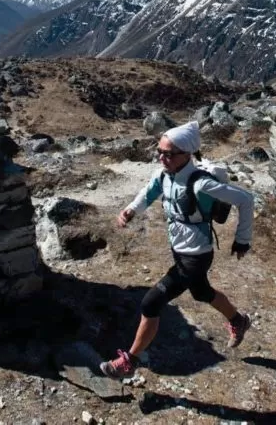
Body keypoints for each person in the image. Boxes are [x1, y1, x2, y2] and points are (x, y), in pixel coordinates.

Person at [100, 121, 255, 379]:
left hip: (196, 256)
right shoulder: (164, 175)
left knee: (151, 303)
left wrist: (242, 239)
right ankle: (239, 320)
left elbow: (245, 199)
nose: (162, 158)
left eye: (168, 154)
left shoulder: (201, 183)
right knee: (202, 292)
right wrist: (130, 210)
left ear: (187, 155)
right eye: (159, 152)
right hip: (180, 249)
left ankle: (130, 361)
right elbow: (148, 193)